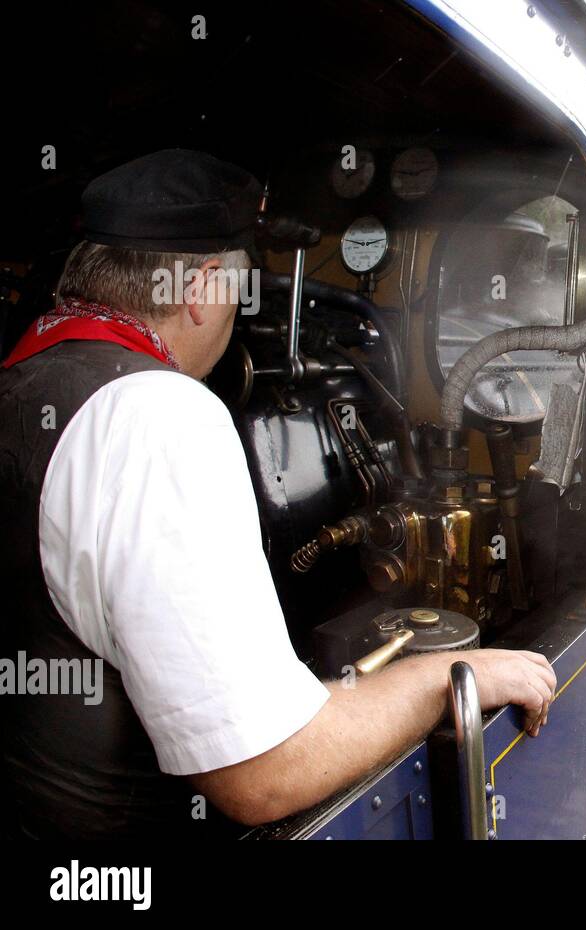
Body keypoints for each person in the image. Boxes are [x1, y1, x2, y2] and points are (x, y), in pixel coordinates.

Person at [0, 149, 554, 839]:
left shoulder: (25, 375)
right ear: (201, 289)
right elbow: (267, 771)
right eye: (236, 294)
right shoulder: (156, 414)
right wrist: (451, 677)